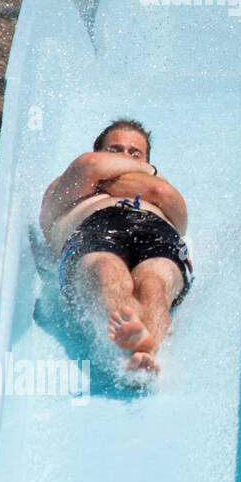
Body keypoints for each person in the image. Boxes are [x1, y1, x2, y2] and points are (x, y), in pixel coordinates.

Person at [39, 120, 192, 374]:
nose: (125, 157)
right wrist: (146, 174)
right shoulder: (69, 183)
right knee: (106, 270)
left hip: (154, 228)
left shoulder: (153, 180)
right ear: (99, 151)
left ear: (146, 160)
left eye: (135, 153)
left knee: (154, 285)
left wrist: (148, 178)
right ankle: (134, 342)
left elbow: (168, 201)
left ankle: (144, 355)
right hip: (95, 226)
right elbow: (89, 165)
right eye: (115, 150)